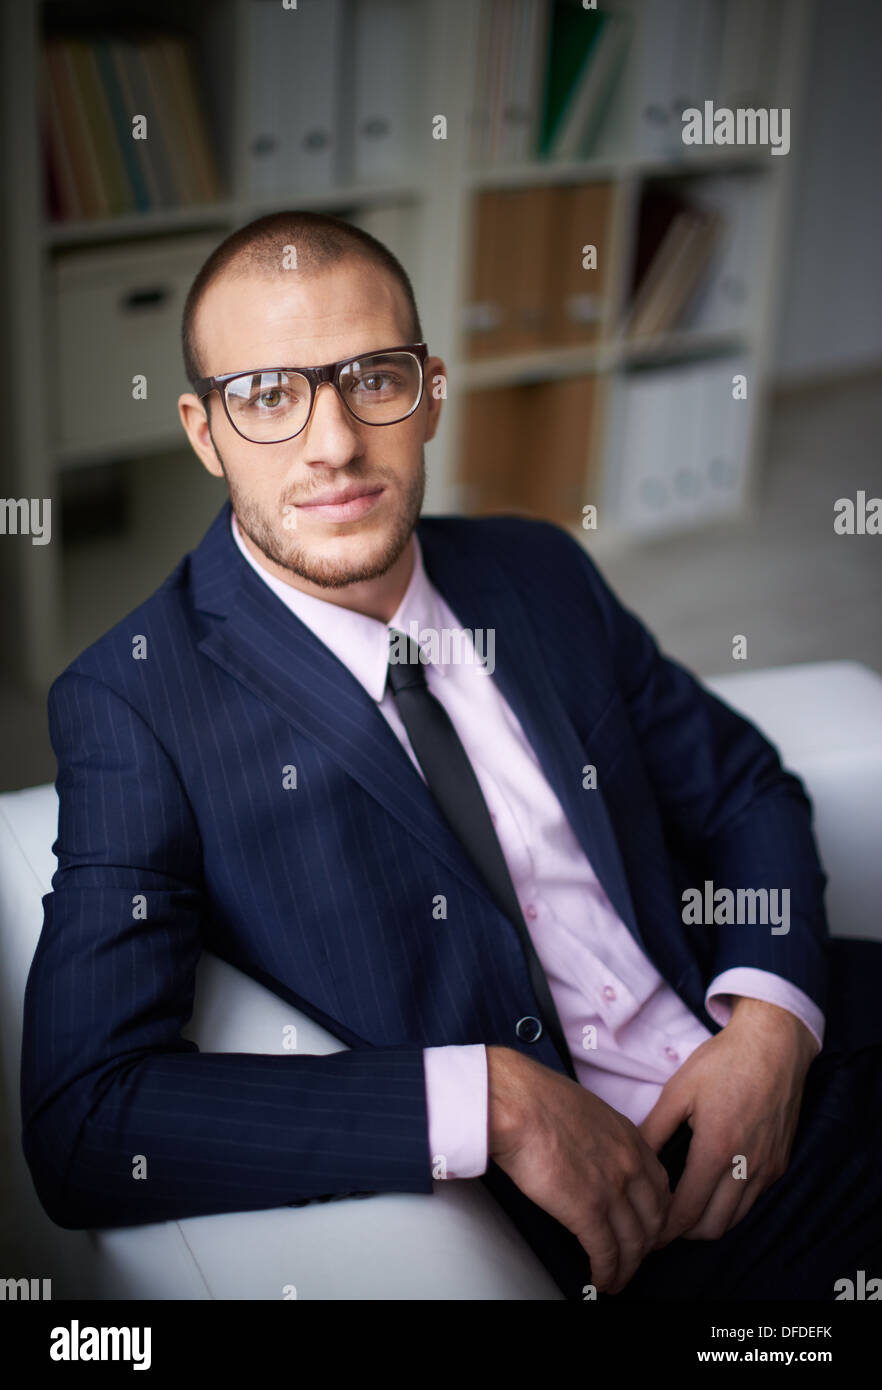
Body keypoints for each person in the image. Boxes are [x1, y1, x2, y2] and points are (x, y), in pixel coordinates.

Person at [21, 211, 882, 1302]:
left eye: (371, 378)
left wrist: (770, 1024)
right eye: (269, 396)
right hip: (650, 1224)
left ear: (429, 391)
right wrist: (490, 1102)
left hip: (796, 1044)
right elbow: (86, 1119)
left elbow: (745, 785)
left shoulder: (535, 568)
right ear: (204, 433)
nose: (332, 442)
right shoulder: (136, 699)